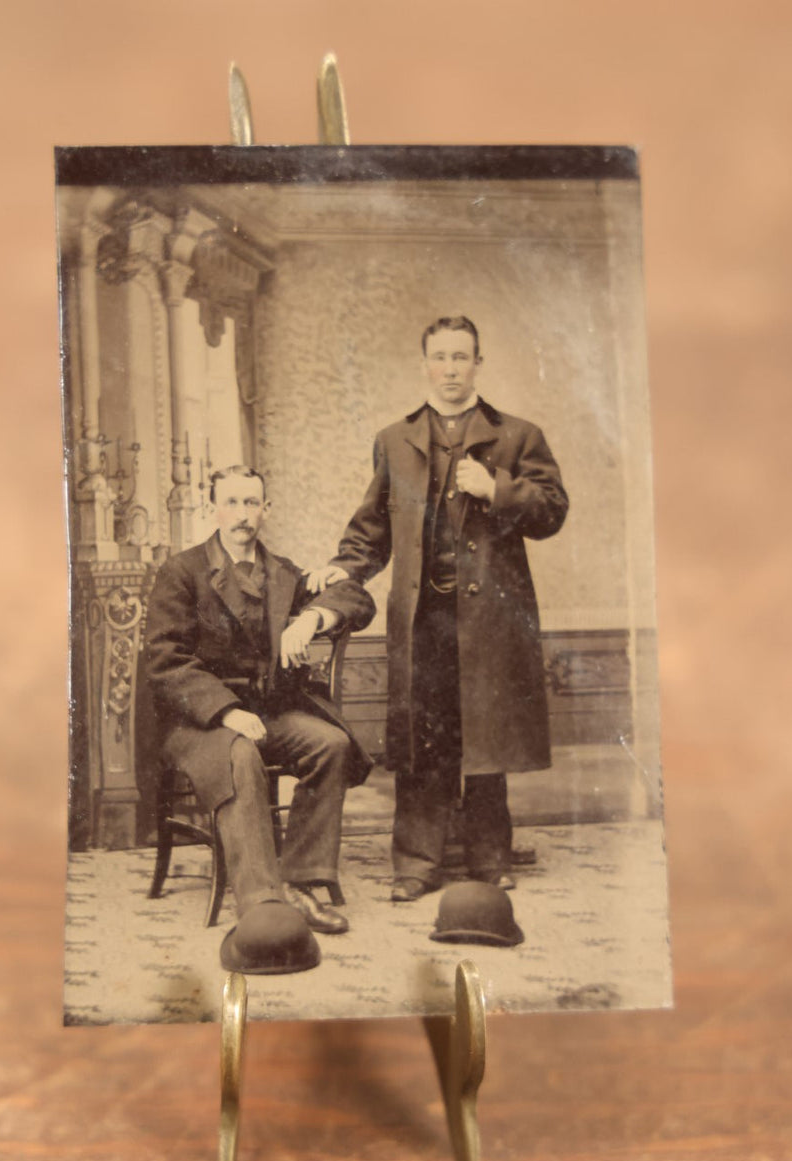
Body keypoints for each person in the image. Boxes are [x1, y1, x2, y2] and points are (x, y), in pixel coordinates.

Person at [308, 316, 568, 902]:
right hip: (422, 619)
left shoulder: (519, 436)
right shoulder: (394, 440)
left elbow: (553, 511)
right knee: (423, 743)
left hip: (490, 623)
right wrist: (344, 567)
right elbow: (371, 528)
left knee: (484, 741)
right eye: (441, 357)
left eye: (461, 357)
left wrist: (497, 488)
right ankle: (415, 866)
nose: (451, 369)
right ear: (425, 362)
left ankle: (489, 859)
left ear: (479, 362)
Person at [144, 465, 376, 962]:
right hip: (200, 721)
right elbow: (165, 662)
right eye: (231, 503)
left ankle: (300, 883)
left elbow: (357, 597)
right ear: (213, 509)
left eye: (252, 503)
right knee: (241, 754)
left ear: (265, 510)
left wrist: (312, 616)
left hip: (268, 711)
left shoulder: (285, 575)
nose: (242, 515)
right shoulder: (181, 572)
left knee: (329, 744)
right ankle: (261, 905)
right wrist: (225, 711)